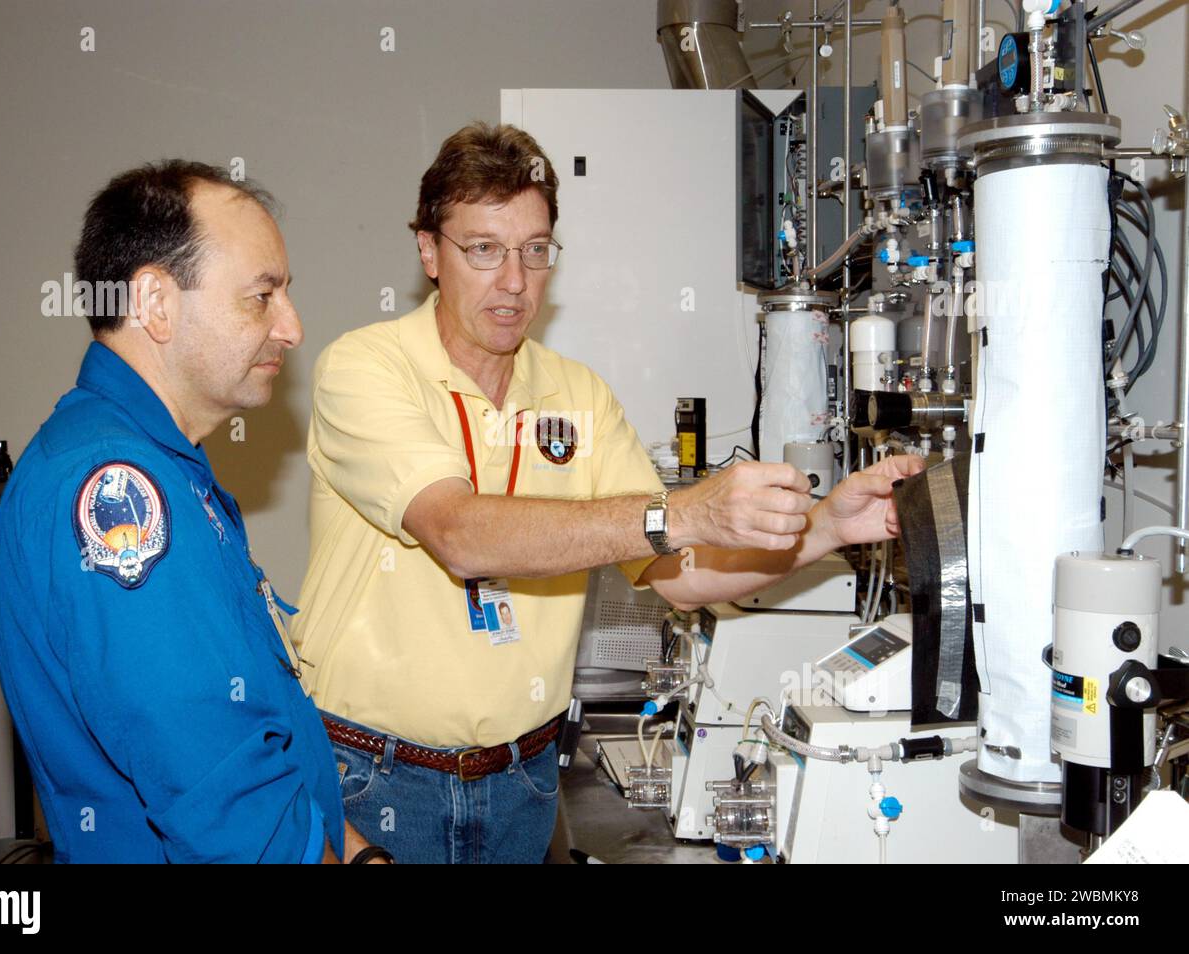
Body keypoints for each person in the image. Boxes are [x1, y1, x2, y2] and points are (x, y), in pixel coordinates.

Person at [291, 123, 922, 863]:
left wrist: (825, 529)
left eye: (535, 250)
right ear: (429, 251)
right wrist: (684, 511)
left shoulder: (576, 396)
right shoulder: (366, 368)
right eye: (484, 250)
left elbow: (685, 579)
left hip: (522, 783)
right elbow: (459, 533)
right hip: (377, 777)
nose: (515, 281)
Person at [0, 161, 384, 863]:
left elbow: (261, 730)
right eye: (261, 297)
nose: (291, 327)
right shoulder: (114, 485)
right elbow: (224, 801)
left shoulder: (165, 465)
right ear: (156, 303)